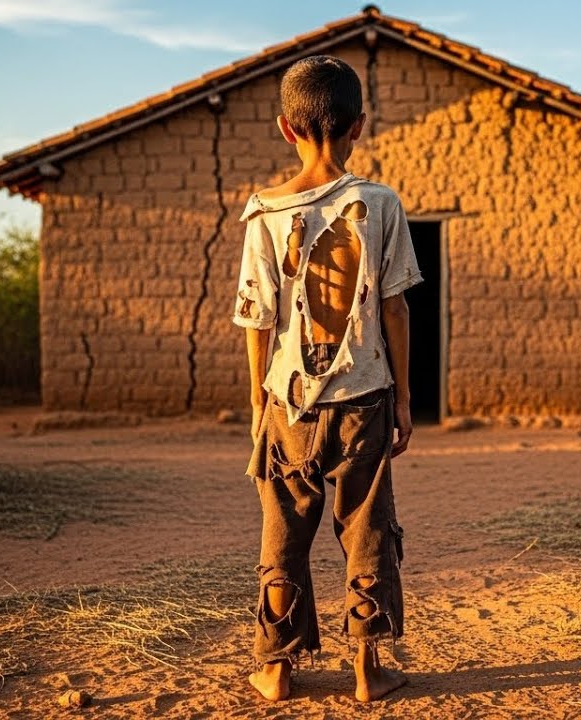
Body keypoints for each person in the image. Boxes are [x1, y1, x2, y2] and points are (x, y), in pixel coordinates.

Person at [230, 54, 422, 703]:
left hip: (289, 406)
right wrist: (403, 396)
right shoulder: (381, 202)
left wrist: (260, 403)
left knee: (283, 530)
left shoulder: (262, 212)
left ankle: (277, 668)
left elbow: (258, 321)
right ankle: (369, 671)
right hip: (363, 399)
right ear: (358, 126)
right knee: (366, 529)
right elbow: (394, 307)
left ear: (286, 128)